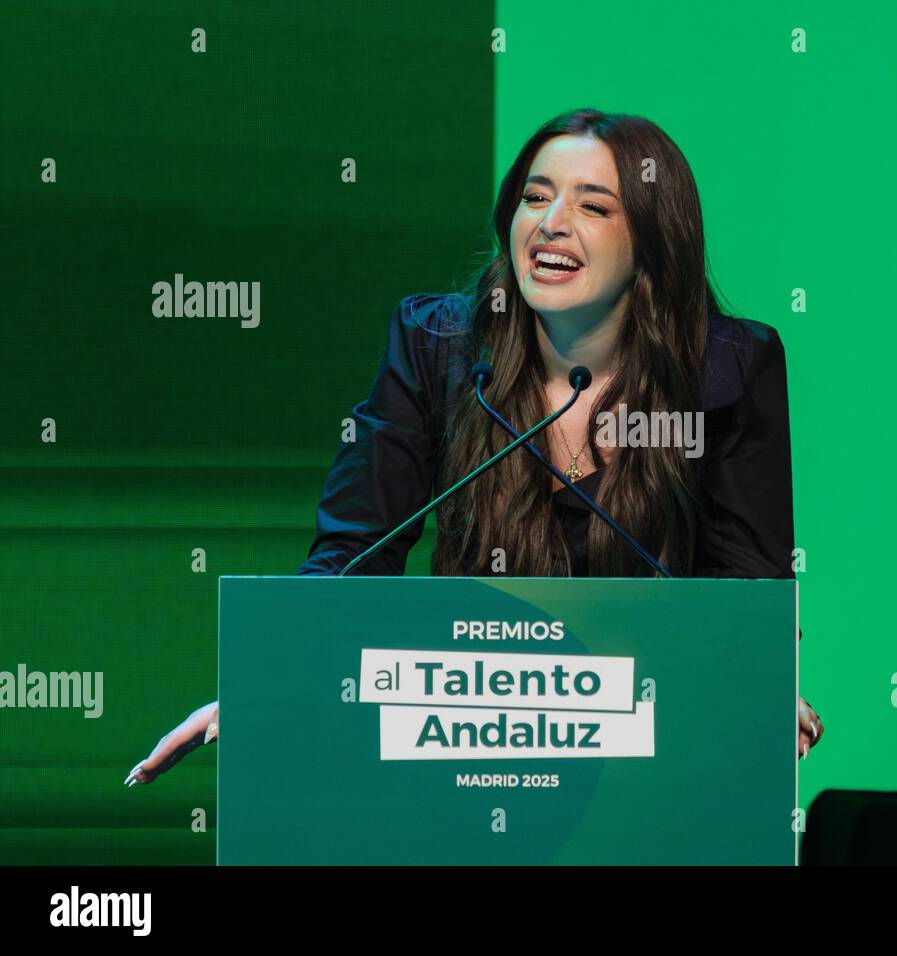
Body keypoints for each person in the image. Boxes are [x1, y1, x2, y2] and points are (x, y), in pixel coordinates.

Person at [125, 108, 823, 788]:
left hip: (649, 735)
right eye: (535, 197)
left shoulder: (727, 368)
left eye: (594, 207)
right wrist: (272, 680)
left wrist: (753, 684)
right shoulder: (440, 347)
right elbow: (354, 553)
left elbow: (748, 585)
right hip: (470, 732)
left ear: (651, 241)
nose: (551, 224)